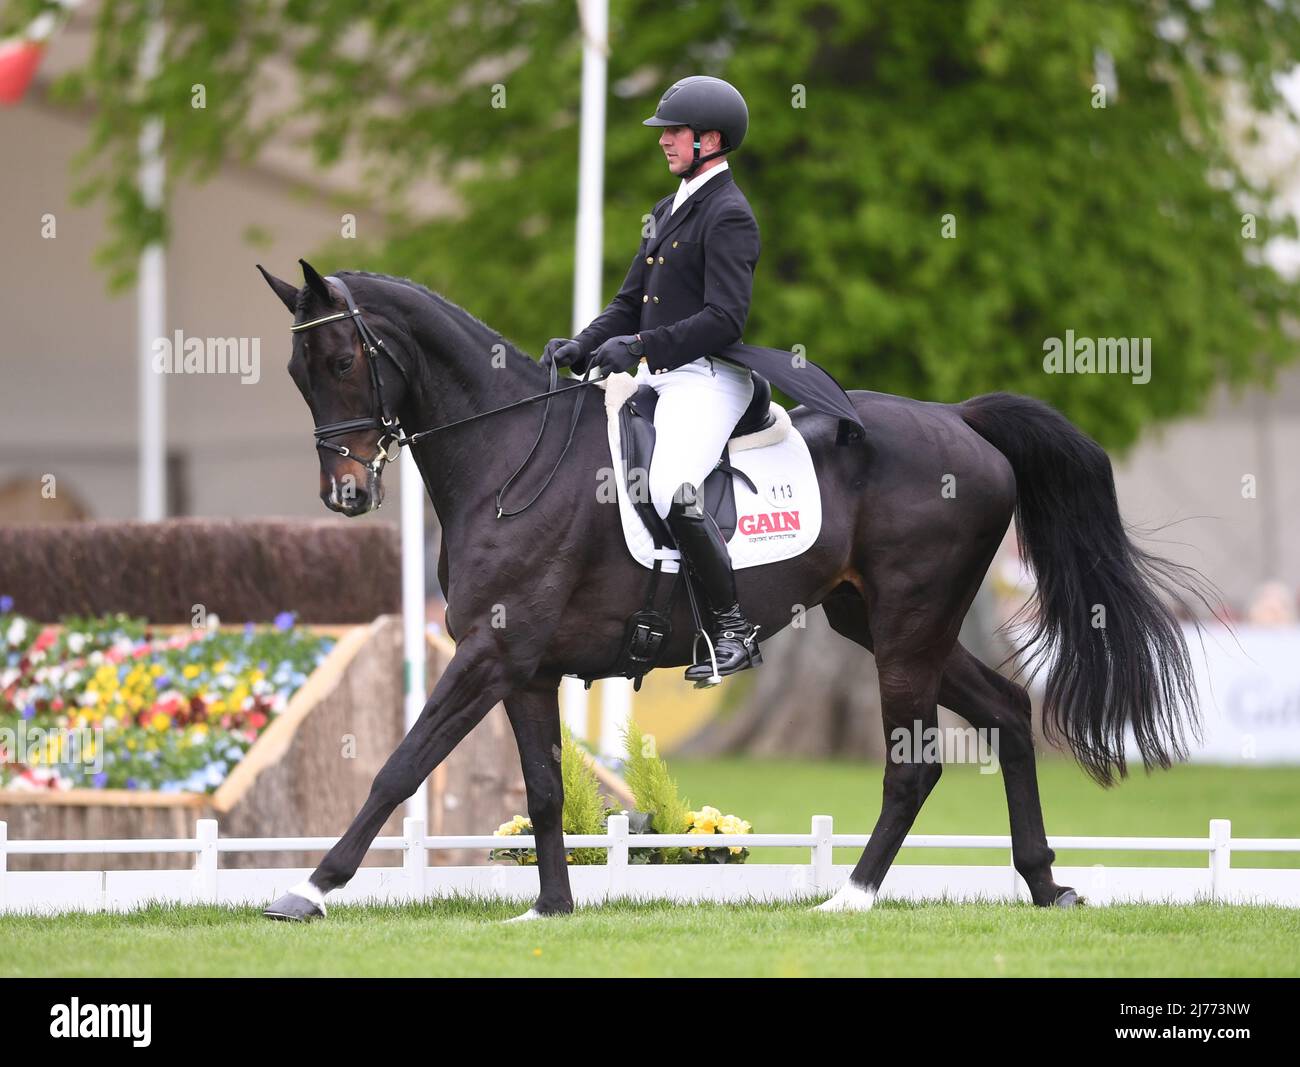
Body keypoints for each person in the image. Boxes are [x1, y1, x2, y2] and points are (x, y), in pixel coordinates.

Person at [543, 75, 763, 683]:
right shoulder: (669, 209)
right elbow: (628, 301)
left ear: (710, 140)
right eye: (664, 132)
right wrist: (583, 344)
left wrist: (637, 345)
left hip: (708, 379)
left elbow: (724, 319)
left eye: (675, 131)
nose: (663, 141)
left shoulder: (729, 214)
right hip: (663, 378)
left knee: (670, 487)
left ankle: (732, 630)